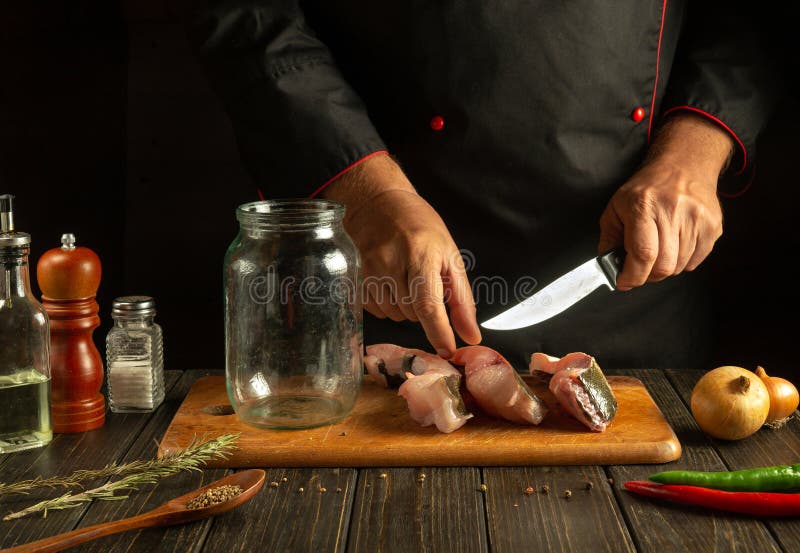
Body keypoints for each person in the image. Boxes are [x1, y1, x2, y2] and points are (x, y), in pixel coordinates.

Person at [188, 2, 778, 369]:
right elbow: (249, 14)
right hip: (381, 289)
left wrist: (692, 153)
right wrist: (368, 194)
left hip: (634, 290)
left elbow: (751, 20)